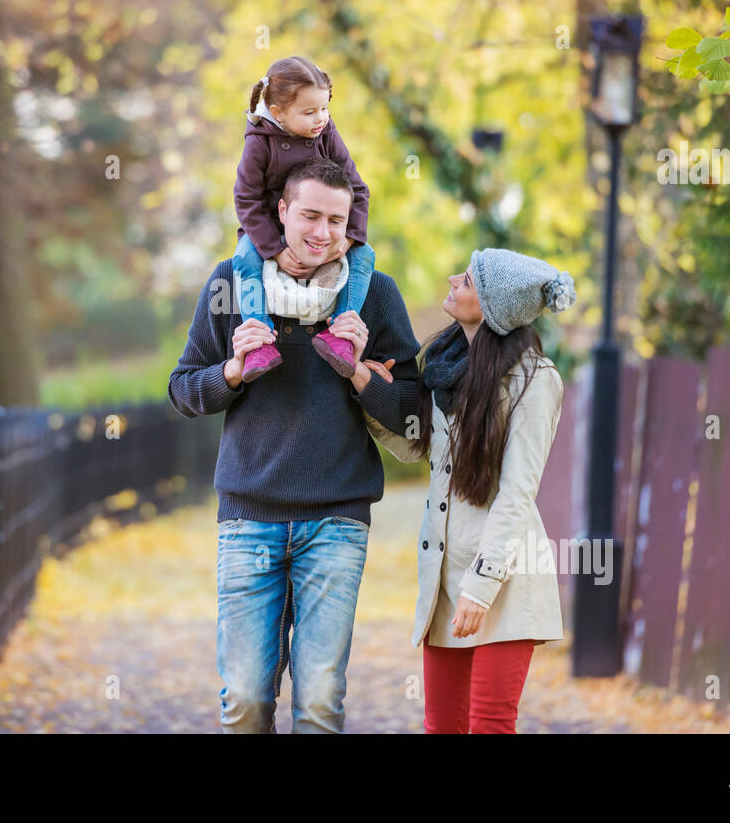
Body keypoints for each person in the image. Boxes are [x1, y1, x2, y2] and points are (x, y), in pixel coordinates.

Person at [168, 157, 419, 733]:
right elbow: (182, 390)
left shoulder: (374, 294)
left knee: (320, 701)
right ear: (281, 211)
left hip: (336, 519)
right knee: (245, 701)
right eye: (310, 215)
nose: (323, 232)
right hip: (248, 518)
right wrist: (233, 370)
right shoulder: (231, 284)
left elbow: (412, 414)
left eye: (337, 220)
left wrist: (360, 371)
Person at [366, 248, 576, 733]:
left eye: (467, 280)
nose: (451, 279)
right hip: (446, 576)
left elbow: (517, 493)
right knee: (441, 726)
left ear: (493, 306)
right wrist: (365, 388)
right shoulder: (446, 368)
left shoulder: (535, 381)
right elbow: (420, 447)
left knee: (489, 724)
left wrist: (480, 590)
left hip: (504, 579)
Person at [232, 56, 376, 382]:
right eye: (310, 112)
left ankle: (340, 334)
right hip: (268, 231)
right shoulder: (259, 141)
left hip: (320, 231)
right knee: (244, 260)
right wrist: (275, 250)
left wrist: (348, 238)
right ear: (279, 112)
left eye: (324, 108)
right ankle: (258, 340)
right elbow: (246, 199)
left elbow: (357, 188)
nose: (320, 118)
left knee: (365, 255)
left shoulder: (326, 132)